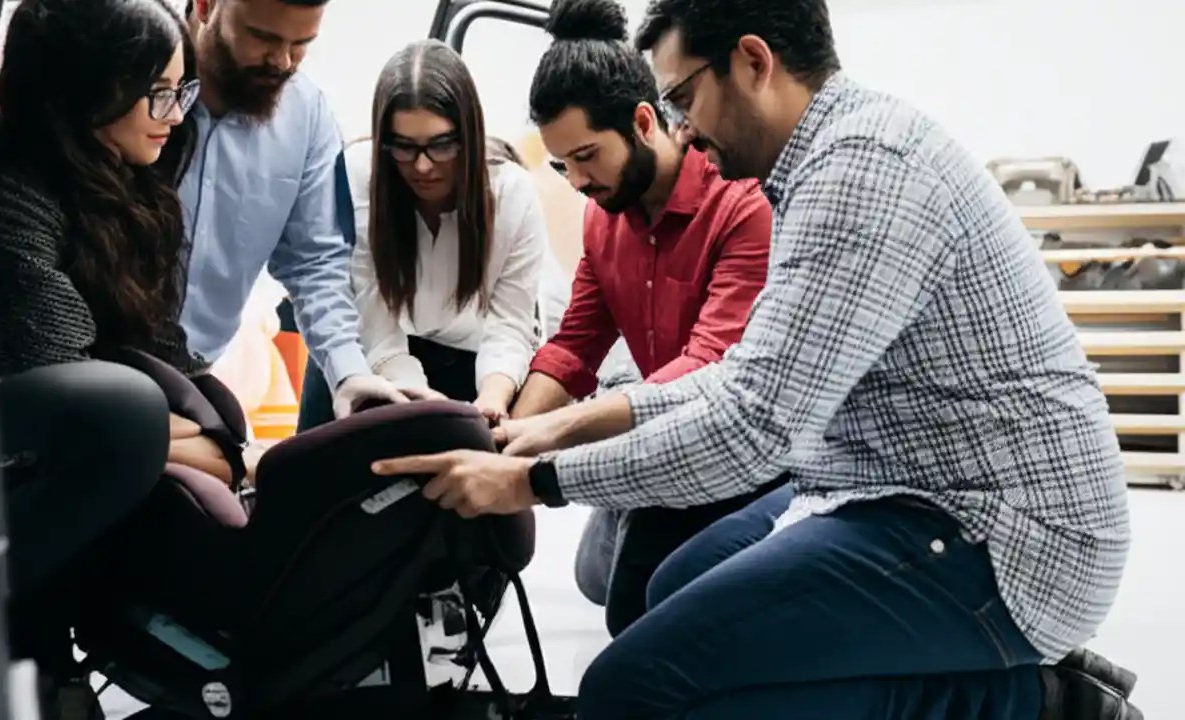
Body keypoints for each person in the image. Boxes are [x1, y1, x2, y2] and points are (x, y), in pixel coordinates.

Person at [372, 0, 1143, 717]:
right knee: (668, 589)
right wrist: (557, 428)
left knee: (632, 690)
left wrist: (532, 482)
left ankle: (1032, 700)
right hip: (880, 484)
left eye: (682, 98)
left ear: (751, 61)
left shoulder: (858, 173)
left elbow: (751, 429)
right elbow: (745, 377)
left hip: (1001, 531)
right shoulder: (814, 164)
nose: (680, 127)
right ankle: (971, 672)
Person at [515, 0, 776, 637]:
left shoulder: (739, 203)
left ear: (641, 121)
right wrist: (511, 432)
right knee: (596, 579)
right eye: (560, 165)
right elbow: (575, 343)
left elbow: (710, 362)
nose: (575, 181)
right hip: (656, 435)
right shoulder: (604, 216)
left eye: (585, 157)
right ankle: (636, 510)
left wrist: (557, 437)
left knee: (639, 607)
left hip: (734, 453)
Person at [0, 0, 234, 486]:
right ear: (87, 87)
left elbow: (165, 352)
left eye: (182, 93)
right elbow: (64, 376)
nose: (177, 117)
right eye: (158, 94)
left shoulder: (130, 190)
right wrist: (205, 444)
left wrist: (214, 435)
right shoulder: (9, 192)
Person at [179, 0, 409, 423]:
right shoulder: (134, 83)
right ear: (206, 5)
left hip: (192, 373)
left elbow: (317, 264)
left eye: (302, 44)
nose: (282, 62)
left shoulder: (309, 116)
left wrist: (348, 373)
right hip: (92, 361)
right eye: (263, 38)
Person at [346, 40, 548, 424]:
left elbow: (510, 323)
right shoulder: (359, 175)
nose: (422, 166)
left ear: (468, 136)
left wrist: (492, 397)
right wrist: (416, 399)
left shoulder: (512, 194)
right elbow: (371, 317)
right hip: (371, 353)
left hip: (473, 360)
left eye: (440, 146)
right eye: (403, 147)